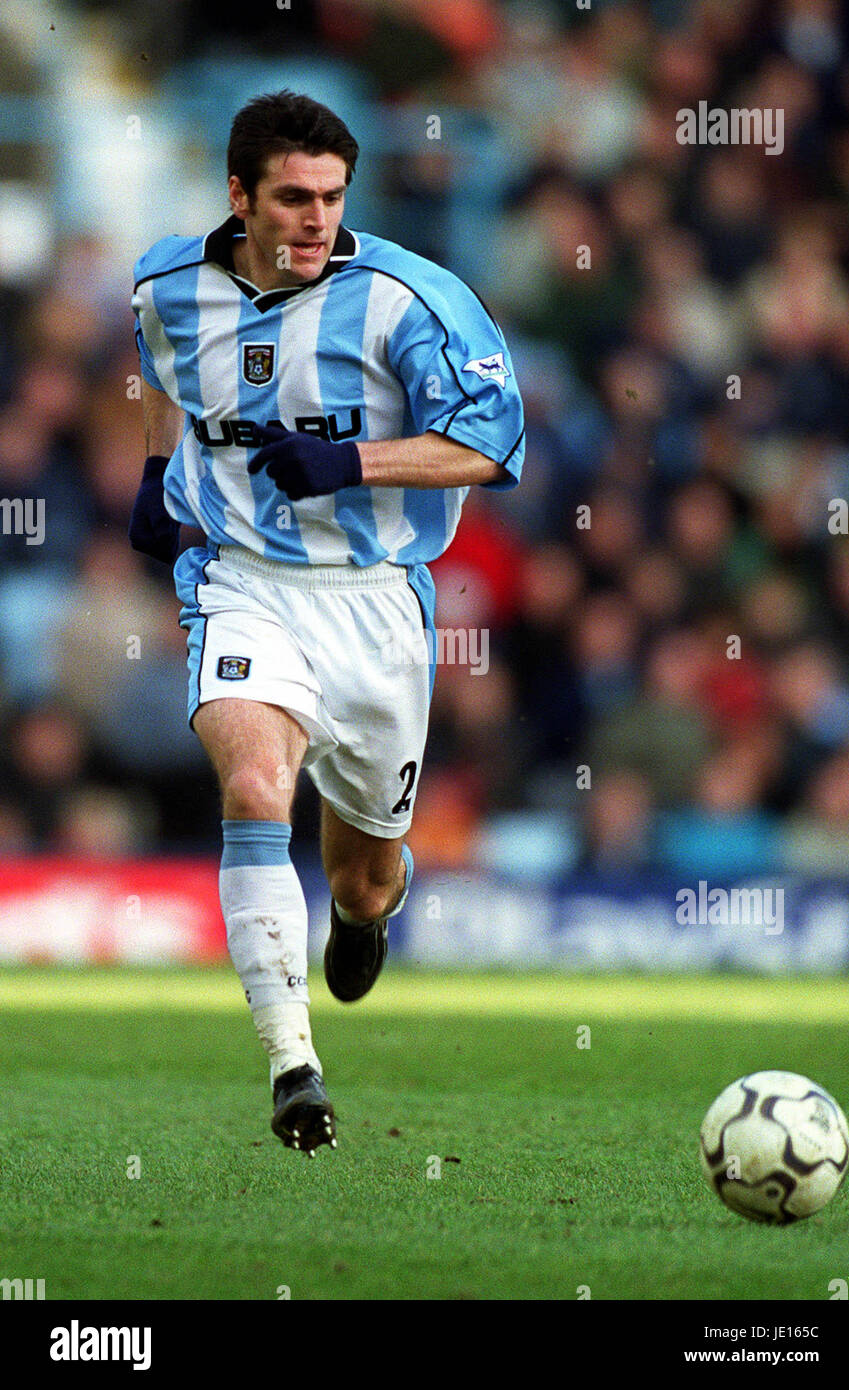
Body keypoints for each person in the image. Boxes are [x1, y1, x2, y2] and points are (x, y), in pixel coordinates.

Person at [128, 91, 524, 1154]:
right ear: (238, 197)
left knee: (365, 869)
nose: (314, 220)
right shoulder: (166, 283)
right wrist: (158, 469)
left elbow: (490, 444)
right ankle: (291, 1064)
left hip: (376, 603)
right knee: (254, 784)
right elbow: (163, 371)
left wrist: (350, 461)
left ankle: (359, 916)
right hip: (240, 579)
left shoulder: (410, 301)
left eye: (331, 198)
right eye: (292, 198)